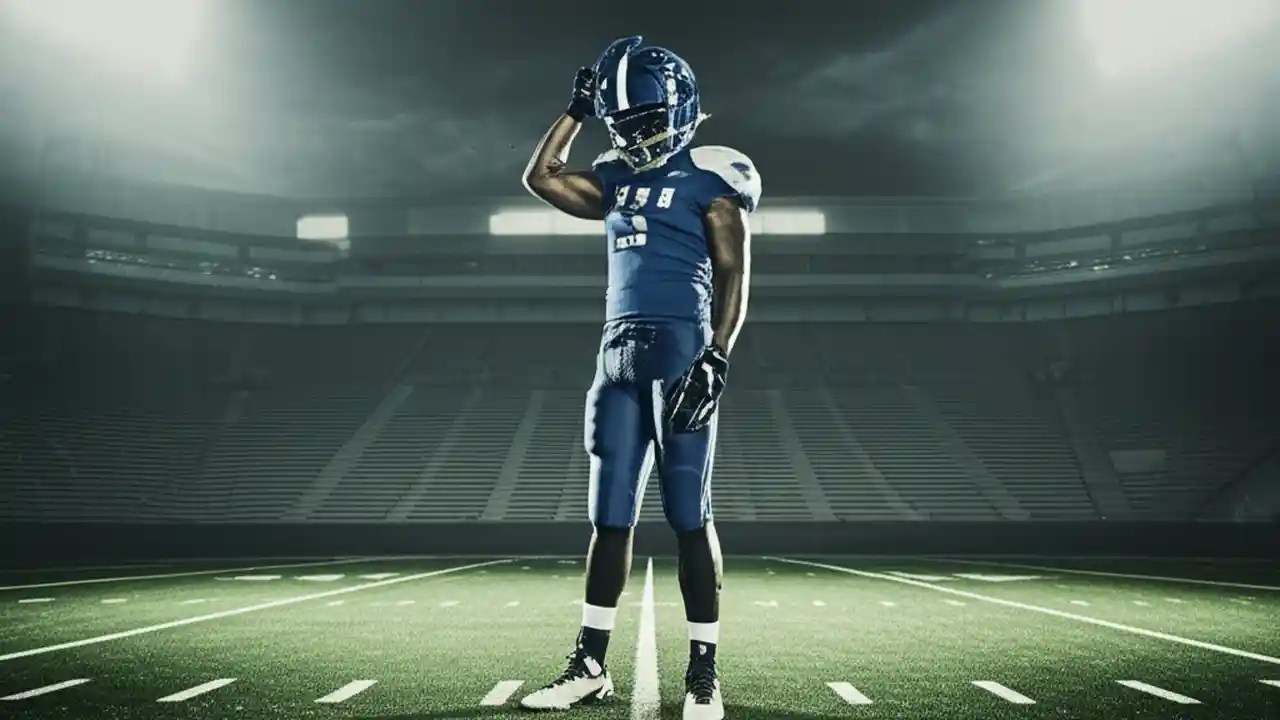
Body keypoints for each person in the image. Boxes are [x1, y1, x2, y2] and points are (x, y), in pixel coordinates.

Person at [517, 35, 760, 720]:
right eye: (625, 125)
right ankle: (590, 663)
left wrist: (717, 354)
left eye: (648, 122)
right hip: (615, 356)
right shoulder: (615, 178)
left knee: (689, 515)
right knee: (609, 518)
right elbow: (542, 176)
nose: (639, 136)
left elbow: (735, 274)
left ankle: (703, 673)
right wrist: (575, 110)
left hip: (681, 352)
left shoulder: (713, 178)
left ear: (681, 110)